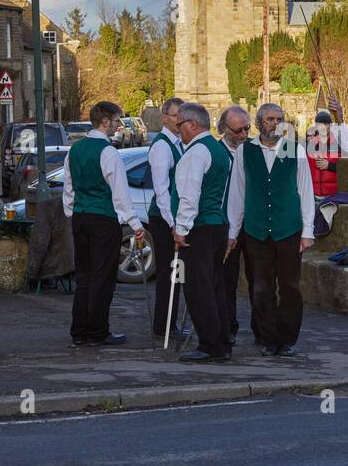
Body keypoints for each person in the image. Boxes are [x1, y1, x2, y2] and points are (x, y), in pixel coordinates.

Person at [227, 104, 317, 357]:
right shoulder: (244, 152)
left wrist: (308, 230)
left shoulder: (294, 149)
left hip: (288, 227)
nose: (274, 123)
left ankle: (287, 338)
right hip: (256, 229)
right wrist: (233, 232)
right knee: (260, 287)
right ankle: (268, 338)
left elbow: (305, 191)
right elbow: (237, 193)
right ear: (259, 122)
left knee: (290, 285)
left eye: (279, 119)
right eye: (269, 119)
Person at [61, 101, 146, 348]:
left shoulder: (74, 150)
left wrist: (71, 213)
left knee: (84, 276)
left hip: (81, 217)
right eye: (117, 121)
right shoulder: (108, 152)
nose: (119, 126)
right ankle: (98, 332)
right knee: (102, 277)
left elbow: (69, 188)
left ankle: (79, 331)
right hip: (103, 219)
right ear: (105, 122)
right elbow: (120, 194)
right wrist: (135, 223)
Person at [171, 103, 234, 363]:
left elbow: (189, 195)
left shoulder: (196, 153)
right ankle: (222, 341)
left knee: (198, 289)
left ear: (192, 124)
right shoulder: (220, 151)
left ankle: (210, 346)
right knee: (215, 286)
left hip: (199, 226)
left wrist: (181, 229)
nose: (178, 131)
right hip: (217, 223)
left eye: (180, 125)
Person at [147, 97, 186, 339]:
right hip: (164, 218)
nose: (180, 120)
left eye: (183, 116)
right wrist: (172, 223)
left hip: (175, 217)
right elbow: (161, 188)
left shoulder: (180, 143)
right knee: (169, 272)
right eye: (175, 116)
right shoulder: (162, 146)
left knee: (177, 272)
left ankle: (170, 324)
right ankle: (164, 326)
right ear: (165, 118)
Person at [217, 105, 256, 345]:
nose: (243, 134)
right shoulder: (214, 151)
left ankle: (261, 328)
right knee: (226, 280)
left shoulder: (253, 150)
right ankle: (228, 327)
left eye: (247, 129)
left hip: (251, 223)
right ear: (223, 129)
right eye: (238, 130)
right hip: (225, 224)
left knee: (258, 278)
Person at [306, 112, 340, 198]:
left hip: (333, 195)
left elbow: (347, 169)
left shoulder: (338, 145)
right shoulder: (310, 146)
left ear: (330, 125)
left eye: (325, 123)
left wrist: (329, 165)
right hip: (312, 195)